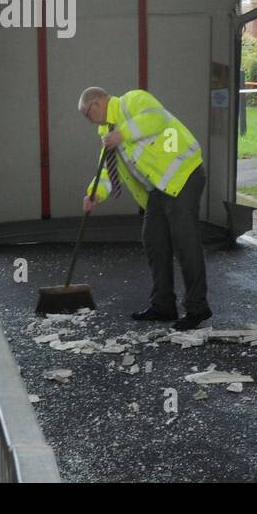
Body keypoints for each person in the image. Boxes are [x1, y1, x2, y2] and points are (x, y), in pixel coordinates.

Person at [77, 86, 210, 331]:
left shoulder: (132, 101)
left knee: (185, 242)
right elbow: (107, 169)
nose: (88, 119)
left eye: (87, 113)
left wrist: (123, 134)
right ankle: (163, 305)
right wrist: (95, 193)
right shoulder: (107, 131)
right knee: (154, 241)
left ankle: (197, 307)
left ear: (96, 103)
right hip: (159, 189)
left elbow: (156, 118)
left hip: (183, 175)